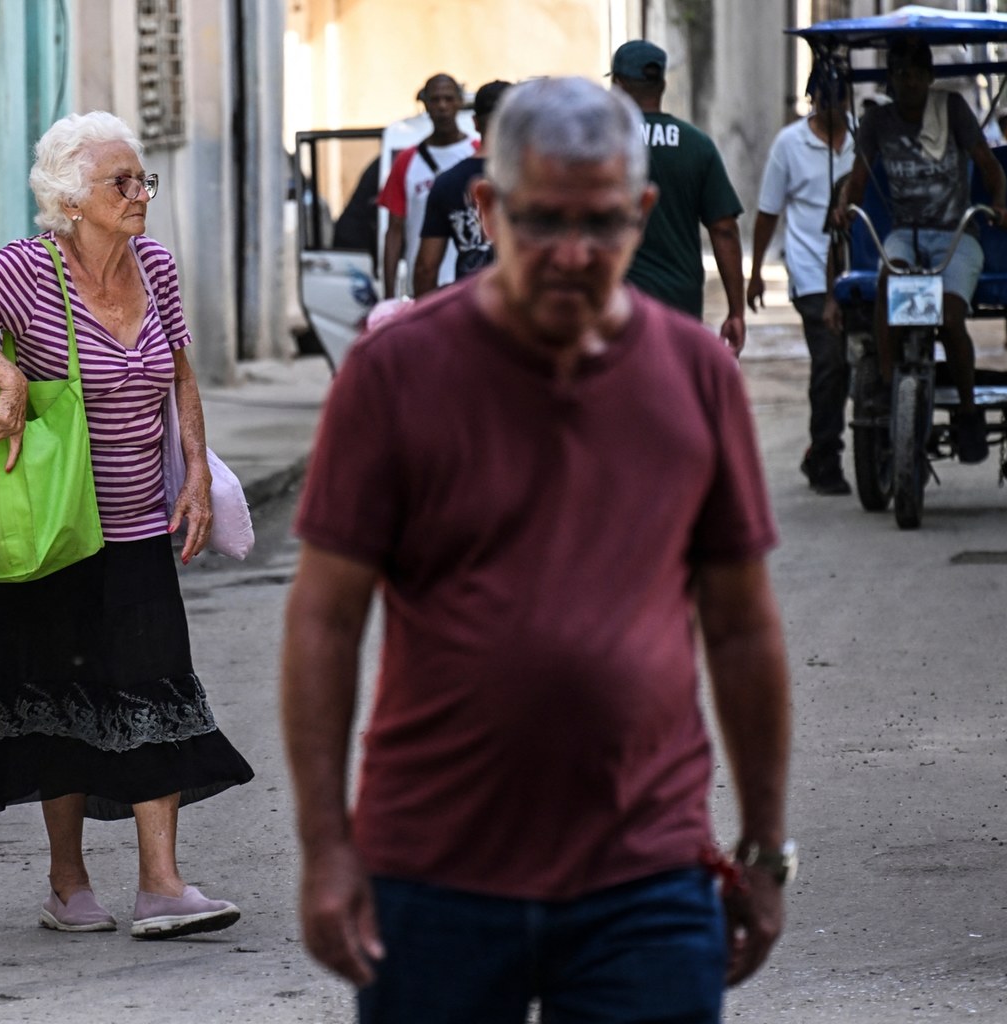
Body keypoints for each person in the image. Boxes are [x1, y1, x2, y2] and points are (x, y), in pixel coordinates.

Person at [282, 77, 793, 1023]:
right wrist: (327, 847)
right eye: (543, 221)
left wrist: (763, 850)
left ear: (641, 211)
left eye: (601, 223)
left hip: (646, 876)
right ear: (486, 207)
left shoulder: (695, 378)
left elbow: (742, 630)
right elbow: (324, 620)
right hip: (433, 874)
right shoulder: (396, 375)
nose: (572, 253)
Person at [0, 111, 254, 939]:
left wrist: (197, 469)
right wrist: (4, 375)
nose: (139, 195)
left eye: (144, 181)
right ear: (70, 197)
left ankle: (162, 884)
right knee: (56, 699)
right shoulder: (30, 270)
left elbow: (179, 372)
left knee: (156, 689)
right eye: (121, 183)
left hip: (137, 522)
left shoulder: (157, 268)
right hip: (52, 528)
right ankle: (68, 884)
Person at [833, 37, 1007, 464]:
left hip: (956, 235)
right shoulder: (878, 122)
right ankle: (887, 385)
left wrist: (1000, 205)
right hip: (905, 234)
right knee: (887, 283)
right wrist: (844, 207)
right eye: (898, 73)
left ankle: (967, 412)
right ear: (890, 78)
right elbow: (857, 180)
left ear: (929, 76)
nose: (907, 80)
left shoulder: (951, 110)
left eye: (915, 72)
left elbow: (991, 168)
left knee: (950, 317)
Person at [748, 64, 856, 496]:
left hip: (859, 263)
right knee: (830, 358)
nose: (834, 111)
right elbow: (768, 212)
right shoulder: (788, 145)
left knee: (864, 357)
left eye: (840, 103)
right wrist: (755, 272)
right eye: (825, 103)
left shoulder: (863, 141)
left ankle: (889, 441)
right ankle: (824, 454)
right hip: (810, 269)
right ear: (813, 101)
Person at [611, 40, 748, 355]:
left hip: (614, 302)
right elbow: (724, 229)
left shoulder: (598, 145)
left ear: (618, 85)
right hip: (679, 303)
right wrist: (736, 311)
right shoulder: (696, 145)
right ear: (662, 84)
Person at [377, 73, 478, 298]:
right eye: (435, 99)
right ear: (425, 104)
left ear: (459, 102)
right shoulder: (406, 161)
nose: (442, 106)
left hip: (470, 286)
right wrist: (389, 295)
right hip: (425, 287)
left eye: (449, 99)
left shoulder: (477, 152)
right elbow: (394, 230)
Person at [413, 79, 512, 296]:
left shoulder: (448, 182)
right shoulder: (535, 178)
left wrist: (425, 324)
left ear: (475, 123)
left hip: (471, 307)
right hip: (525, 314)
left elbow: (426, 268)